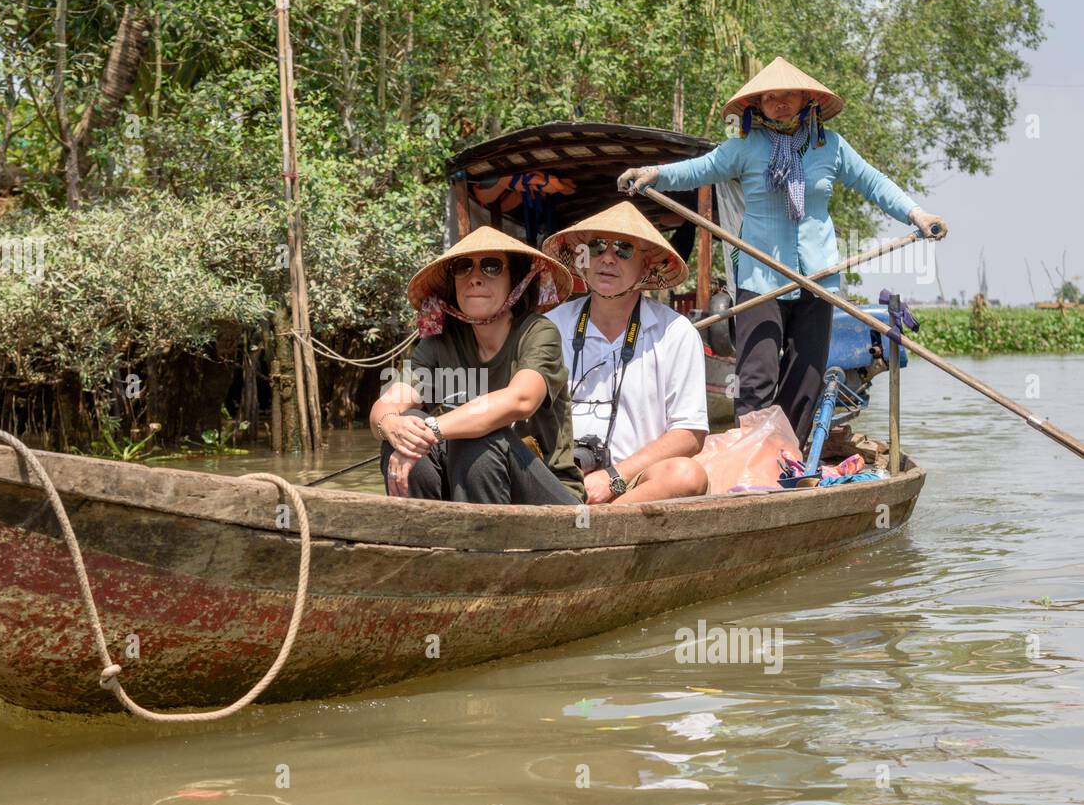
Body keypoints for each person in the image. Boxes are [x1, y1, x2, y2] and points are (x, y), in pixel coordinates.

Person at [617, 56, 948, 446]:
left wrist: (918, 214)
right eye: (769, 98)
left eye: (786, 96)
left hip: (818, 279)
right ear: (757, 105)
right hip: (761, 276)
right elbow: (698, 169)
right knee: (756, 375)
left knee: (807, 375)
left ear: (806, 98)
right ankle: (751, 457)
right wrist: (654, 173)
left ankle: (788, 454)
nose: (778, 104)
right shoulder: (744, 147)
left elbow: (874, 183)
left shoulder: (831, 147)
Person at [368, 225, 585, 505]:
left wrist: (431, 429)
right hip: (470, 490)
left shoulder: (538, 333)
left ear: (515, 281)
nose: (475, 278)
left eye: (492, 267)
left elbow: (520, 400)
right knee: (406, 428)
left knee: (479, 434)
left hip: (549, 497)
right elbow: (385, 406)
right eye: (463, 267)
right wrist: (393, 426)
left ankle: (485, 546)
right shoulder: (438, 344)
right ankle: (424, 536)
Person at [541, 202, 709, 504]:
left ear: (646, 266)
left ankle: (599, 526)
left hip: (631, 486)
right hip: (556, 474)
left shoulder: (676, 332)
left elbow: (690, 434)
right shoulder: (552, 325)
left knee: (687, 475)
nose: (607, 258)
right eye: (596, 247)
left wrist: (613, 477)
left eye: (623, 249)